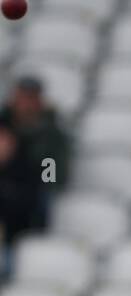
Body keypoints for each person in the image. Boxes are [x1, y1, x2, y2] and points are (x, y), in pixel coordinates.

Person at [0, 76, 70, 252]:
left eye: (31, 98)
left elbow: (52, 177)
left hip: (29, 193)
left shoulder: (50, 135)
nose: (26, 104)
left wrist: (31, 157)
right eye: (22, 98)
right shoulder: (4, 125)